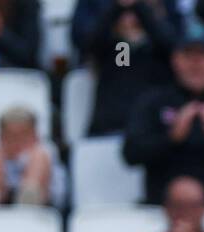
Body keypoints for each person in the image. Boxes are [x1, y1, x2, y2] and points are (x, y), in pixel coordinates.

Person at [121, 19, 204, 204]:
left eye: (203, 55)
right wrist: (171, 138)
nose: (196, 64)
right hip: (160, 211)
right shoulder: (153, 102)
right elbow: (130, 155)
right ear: (175, 60)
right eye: (188, 55)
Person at [71, 0, 180, 137]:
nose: (130, 17)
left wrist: (139, 8)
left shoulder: (157, 50)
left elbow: (172, 47)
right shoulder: (116, 49)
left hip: (152, 132)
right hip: (110, 130)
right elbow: (89, 44)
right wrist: (118, 7)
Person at [0, 106, 67, 208]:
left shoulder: (45, 152)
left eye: (22, 135)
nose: (16, 141)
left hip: (42, 205)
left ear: (35, 135)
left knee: (39, 158)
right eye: (10, 136)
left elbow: (60, 192)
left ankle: (30, 198)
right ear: (0, 136)